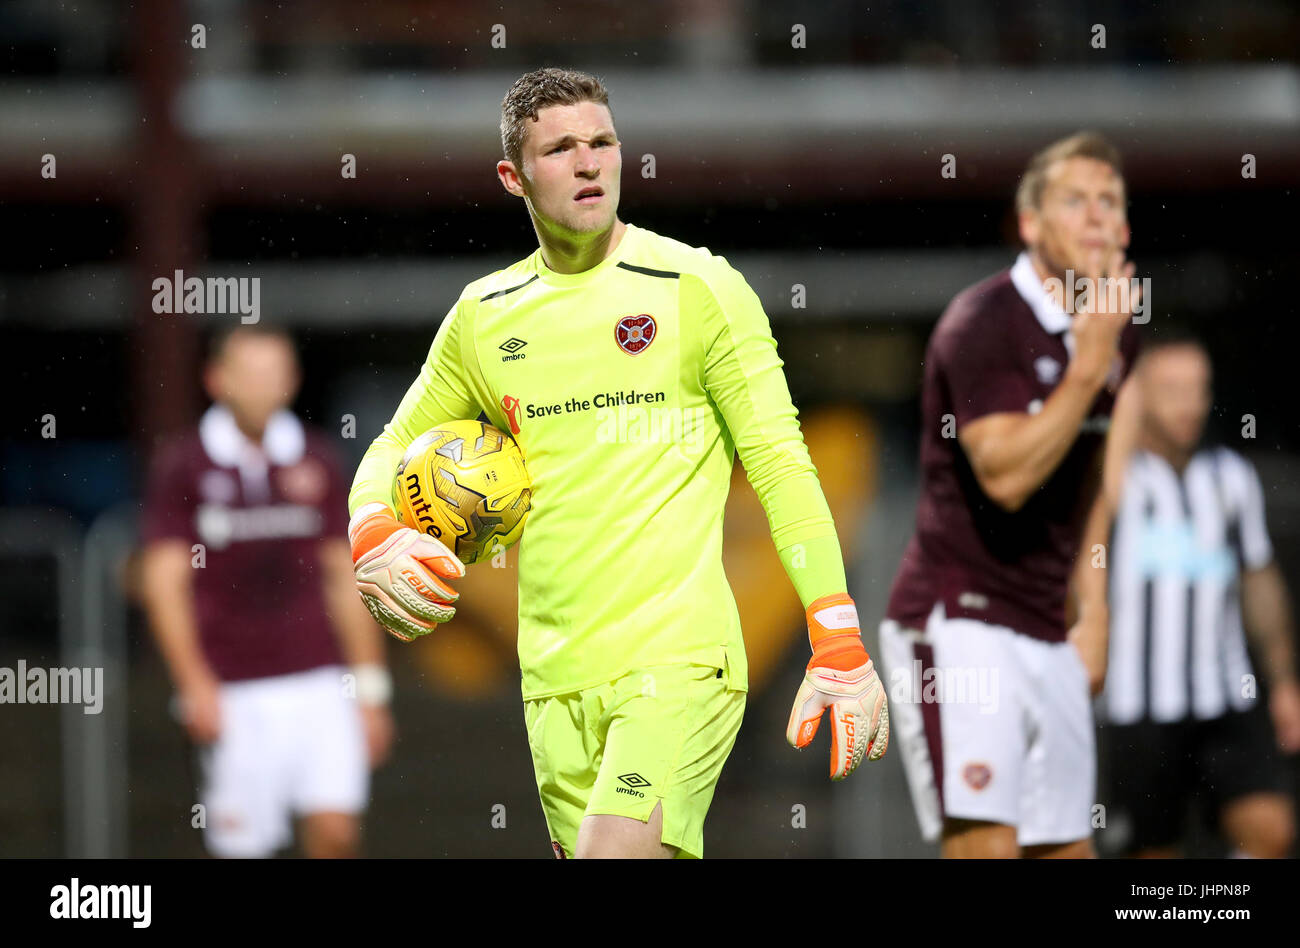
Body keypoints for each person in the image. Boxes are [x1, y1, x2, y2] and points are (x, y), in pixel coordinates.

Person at [346, 66, 888, 859]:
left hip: (678, 663)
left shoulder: (697, 287)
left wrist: (836, 633)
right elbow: (390, 447)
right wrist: (371, 529)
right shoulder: (484, 318)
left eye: (602, 142)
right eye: (561, 148)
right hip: (553, 684)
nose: (590, 161)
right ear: (513, 177)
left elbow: (781, 461)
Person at [878, 131, 1142, 858]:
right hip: (960, 618)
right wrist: (1089, 366)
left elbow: (1098, 482)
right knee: (986, 848)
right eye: (1073, 200)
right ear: (1031, 224)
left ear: (1123, 229)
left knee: (1065, 850)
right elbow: (1008, 478)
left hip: (1045, 623)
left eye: (1108, 202)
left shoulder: (1117, 333)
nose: (1094, 217)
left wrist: (1093, 609)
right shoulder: (984, 322)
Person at [139, 324, 394, 858]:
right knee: (245, 847)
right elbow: (164, 582)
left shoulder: (318, 459)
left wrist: (370, 690)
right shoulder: (183, 465)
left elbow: (345, 578)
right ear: (217, 380)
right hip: (234, 688)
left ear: (292, 381)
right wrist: (193, 683)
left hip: (323, 682)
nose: (262, 387)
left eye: (273, 374)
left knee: (337, 833)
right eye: (249, 374)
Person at [1097, 334, 1300, 858]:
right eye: (1171, 389)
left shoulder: (1232, 477)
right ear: (1138, 395)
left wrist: (1282, 683)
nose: (1190, 403)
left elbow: (1259, 580)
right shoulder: (1114, 481)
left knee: (1272, 828)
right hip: (1138, 707)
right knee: (1153, 852)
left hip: (1224, 697)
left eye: (1199, 389)